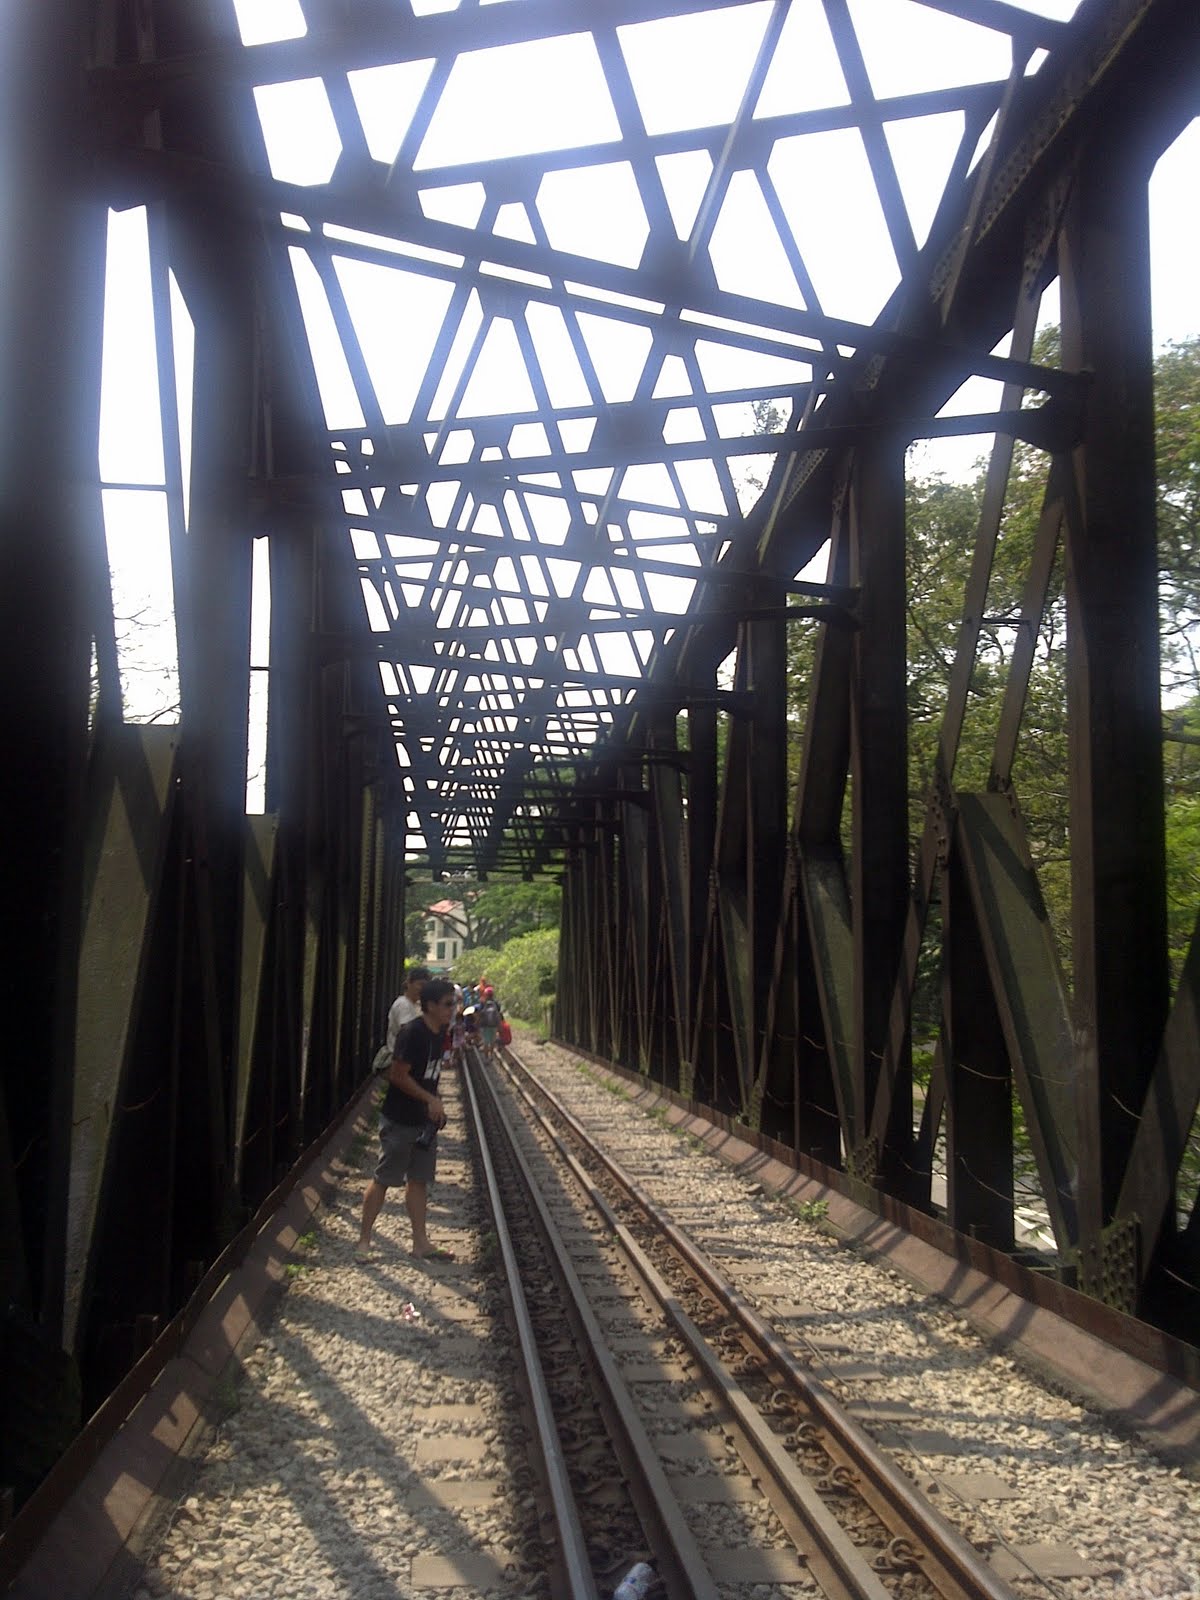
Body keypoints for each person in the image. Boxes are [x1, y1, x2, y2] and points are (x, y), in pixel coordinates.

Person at [357, 978, 458, 1263]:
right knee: (384, 1179)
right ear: (430, 1005)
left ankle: (420, 1243)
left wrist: (435, 1105)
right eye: (448, 1004)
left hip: (423, 1121)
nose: (452, 1009)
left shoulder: (439, 1033)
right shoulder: (412, 1033)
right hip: (400, 1119)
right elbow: (398, 1076)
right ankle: (364, 1241)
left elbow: (430, 1076)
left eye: (453, 1004)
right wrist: (430, 1100)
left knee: (419, 1181)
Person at [386, 966, 431, 1053]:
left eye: (425, 986)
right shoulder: (403, 1004)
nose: (422, 989)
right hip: (402, 1058)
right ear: (409, 983)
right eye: (420, 984)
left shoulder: (416, 1004)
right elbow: (409, 1033)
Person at [476, 985, 502, 1060]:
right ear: (493, 995)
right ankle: (491, 1055)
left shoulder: (482, 1003)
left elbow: (479, 1014)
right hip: (493, 1025)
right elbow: (499, 1014)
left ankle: (486, 1057)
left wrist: (477, 1022)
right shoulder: (496, 1004)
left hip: (484, 1025)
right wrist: (499, 1025)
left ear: (486, 994)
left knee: (485, 1041)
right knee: (492, 1041)